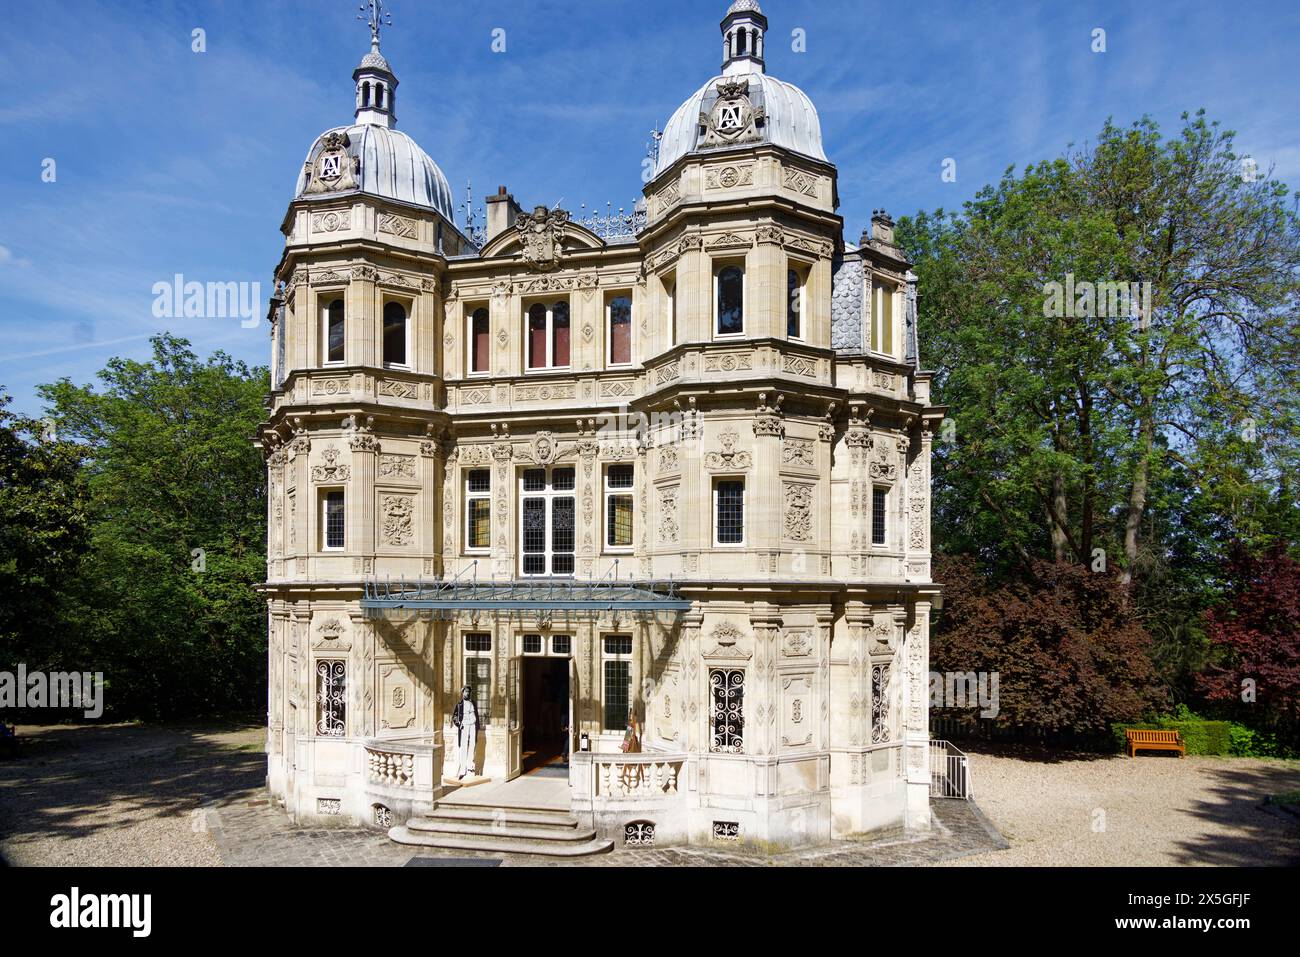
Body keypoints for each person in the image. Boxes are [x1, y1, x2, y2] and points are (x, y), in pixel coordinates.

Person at [451, 685, 479, 780]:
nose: (467, 693)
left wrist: (477, 726)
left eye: (468, 692)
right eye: (465, 691)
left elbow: (476, 715)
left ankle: (470, 767)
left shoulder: (473, 703)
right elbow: (454, 717)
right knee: (463, 747)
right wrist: (459, 724)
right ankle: (462, 770)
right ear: (462, 693)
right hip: (465, 726)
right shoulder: (459, 705)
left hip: (473, 725)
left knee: (472, 745)